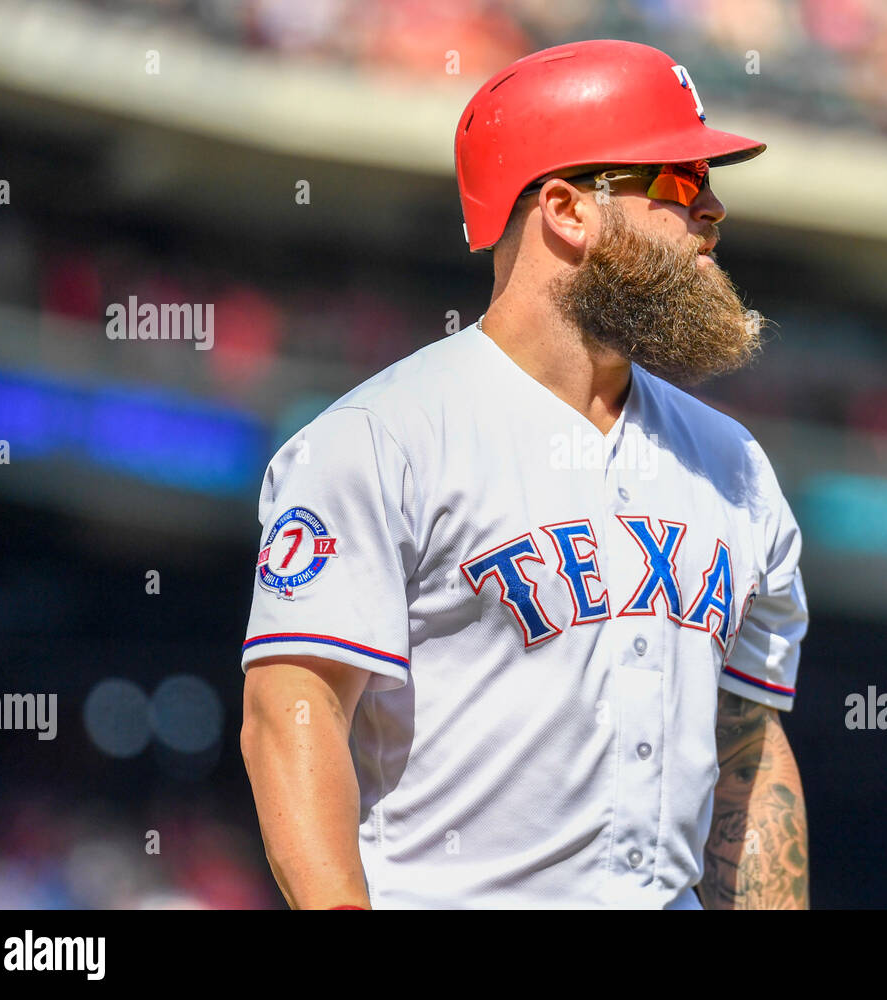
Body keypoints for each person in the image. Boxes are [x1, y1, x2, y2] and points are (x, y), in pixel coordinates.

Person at [240, 38, 810, 909]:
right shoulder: (382, 438)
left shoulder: (734, 465)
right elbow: (293, 710)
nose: (714, 209)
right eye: (680, 180)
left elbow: (748, 744)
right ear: (567, 211)